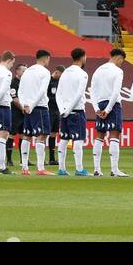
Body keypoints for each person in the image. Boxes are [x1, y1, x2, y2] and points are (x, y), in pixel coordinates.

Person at [90, 47, 128, 177]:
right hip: (113, 105)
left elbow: (92, 91)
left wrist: (97, 109)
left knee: (99, 136)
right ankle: (114, 169)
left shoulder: (98, 70)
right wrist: (108, 109)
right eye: (121, 61)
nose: (121, 63)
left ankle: (96, 168)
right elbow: (116, 92)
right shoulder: (118, 71)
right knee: (114, 135)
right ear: (119, 58)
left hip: (99, 104)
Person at [54, 49, 90, 177]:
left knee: (63, 139)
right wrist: (68, 109)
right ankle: (79, 169)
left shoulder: (65, 73)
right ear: (83, 57)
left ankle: (61, 169)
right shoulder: (83, 74)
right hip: (76, 111)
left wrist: (62, 110)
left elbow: (58, 93)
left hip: (64, 111)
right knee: (78, 140)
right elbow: (79, 94)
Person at [16, 51, 54, 176]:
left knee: (27, 136)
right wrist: (31, 105)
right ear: (47, 58)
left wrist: (24, 105)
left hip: (27, 108)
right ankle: (40, 167)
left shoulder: (27, 71)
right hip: (39, 107)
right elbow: (42, 91)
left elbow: (20, 90)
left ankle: (25, 168)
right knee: (42, 135)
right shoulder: (45, 72)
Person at [8, 63, 26, 168]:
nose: (25, 73)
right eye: (23, 71)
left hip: (24, 112)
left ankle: (23, 160)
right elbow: (15, 99)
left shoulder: (25, 83)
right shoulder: (14, 83)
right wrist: (22, 108)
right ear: (17, 71)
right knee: (11, 135)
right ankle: (9, 160)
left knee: (24, 136)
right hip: (15, 113)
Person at [46, 65, 63, 166]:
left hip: (57, 111)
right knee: (44, 134)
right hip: (48, 110)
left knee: (53, 134)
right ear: (56, 72)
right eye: (60, 74)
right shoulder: (48, 81)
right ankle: (42, 159)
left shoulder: (60, 83)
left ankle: (52, 159)